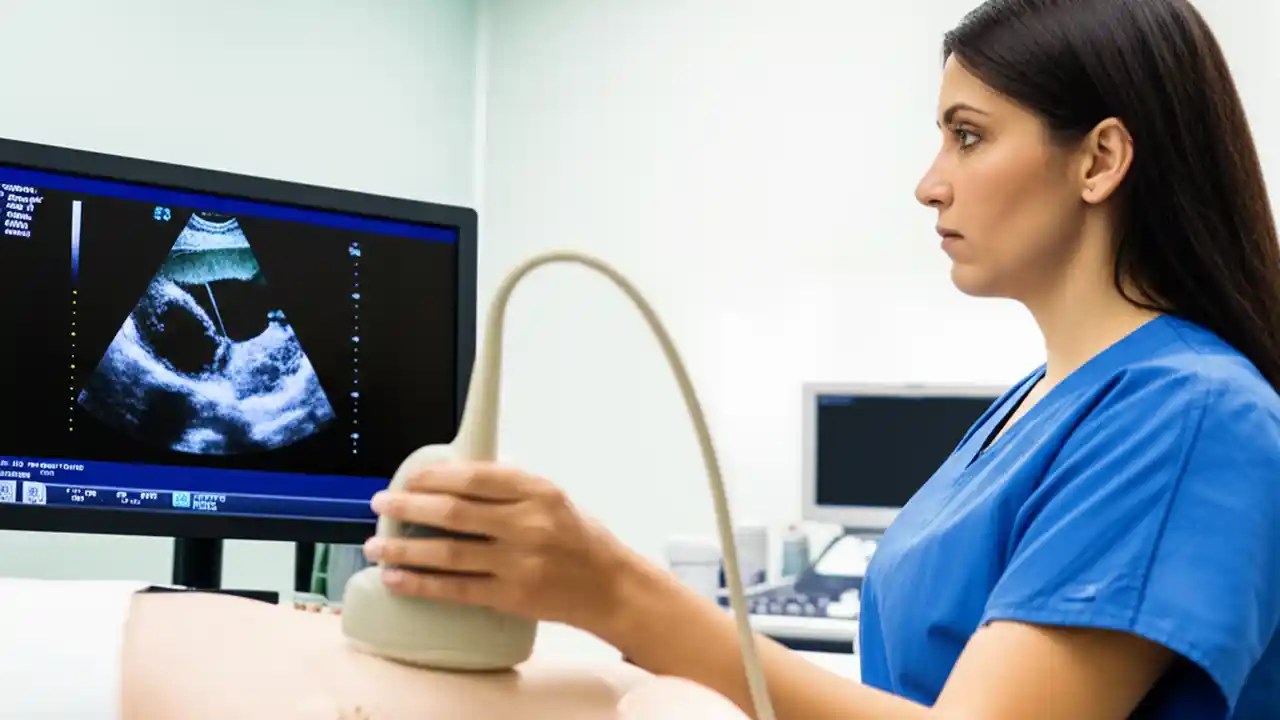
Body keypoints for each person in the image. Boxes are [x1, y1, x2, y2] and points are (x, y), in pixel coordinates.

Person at [358, 1, 1280, 719]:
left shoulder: (1192, 415)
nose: (929, 183)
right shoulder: (1038, 404)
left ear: (1100, 159)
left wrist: (614, 591)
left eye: (968, 134)